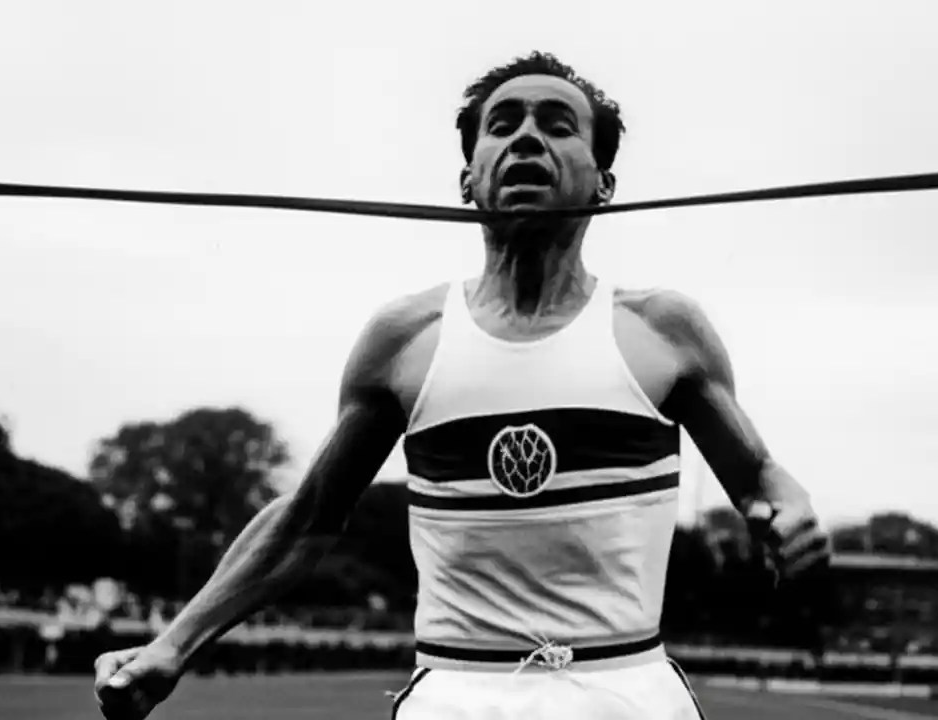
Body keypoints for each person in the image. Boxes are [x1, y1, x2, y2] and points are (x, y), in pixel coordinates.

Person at [94, 50, 831, 720]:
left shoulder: (663, 329)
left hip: (626, 693)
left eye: (557, 125)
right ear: (468, 179)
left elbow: (761, 479)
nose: (527, 139)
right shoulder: (405, 341)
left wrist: (790, 512)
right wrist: (172, 646)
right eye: (502, 124)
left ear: (603, 182)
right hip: (456, 695)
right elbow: (307, 520)